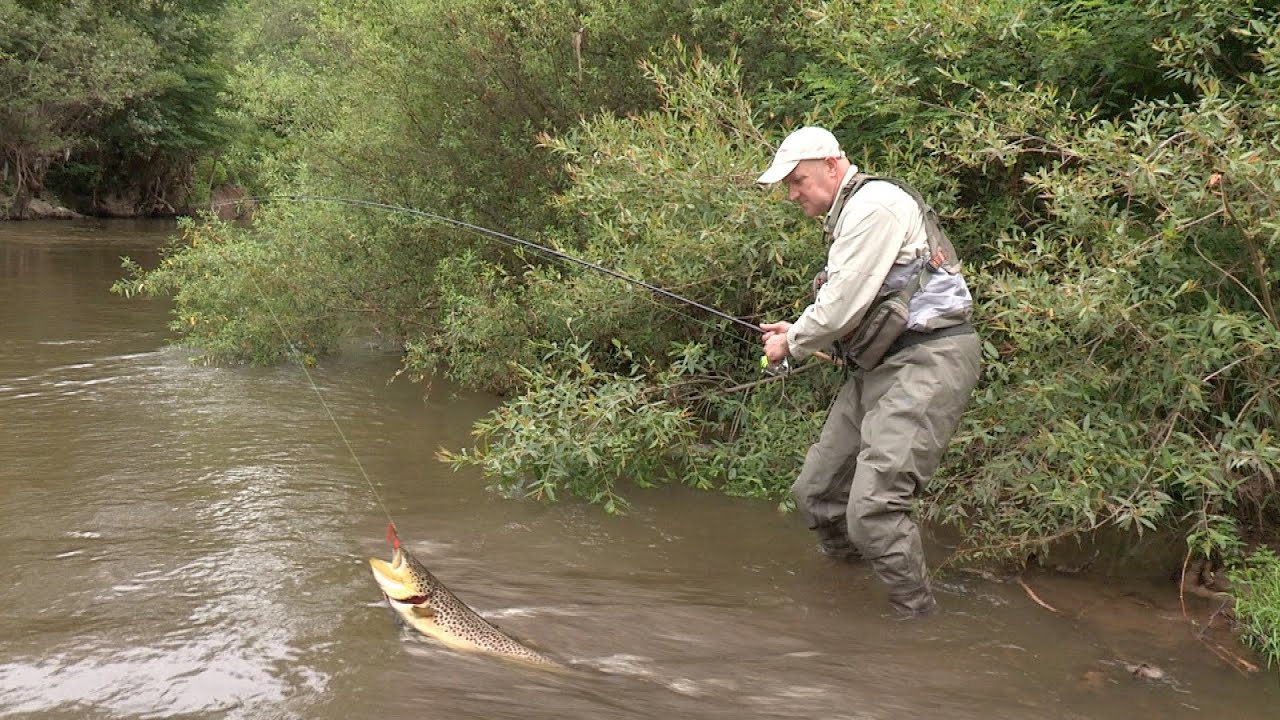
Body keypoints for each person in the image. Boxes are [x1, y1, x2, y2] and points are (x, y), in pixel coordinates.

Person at [757, 126, 981, 617]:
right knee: (817, 494)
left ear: (833, 166)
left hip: (929, 358)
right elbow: (856, 303)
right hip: (880, 367)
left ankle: (917, 621)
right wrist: (798, 331)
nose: (793, 193)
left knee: (874, 508)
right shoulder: (854, 211)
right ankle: (850, 594)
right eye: (788, 185)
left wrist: (791, 343)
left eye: (798, 180)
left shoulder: (873, 205)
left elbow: (839, 308)